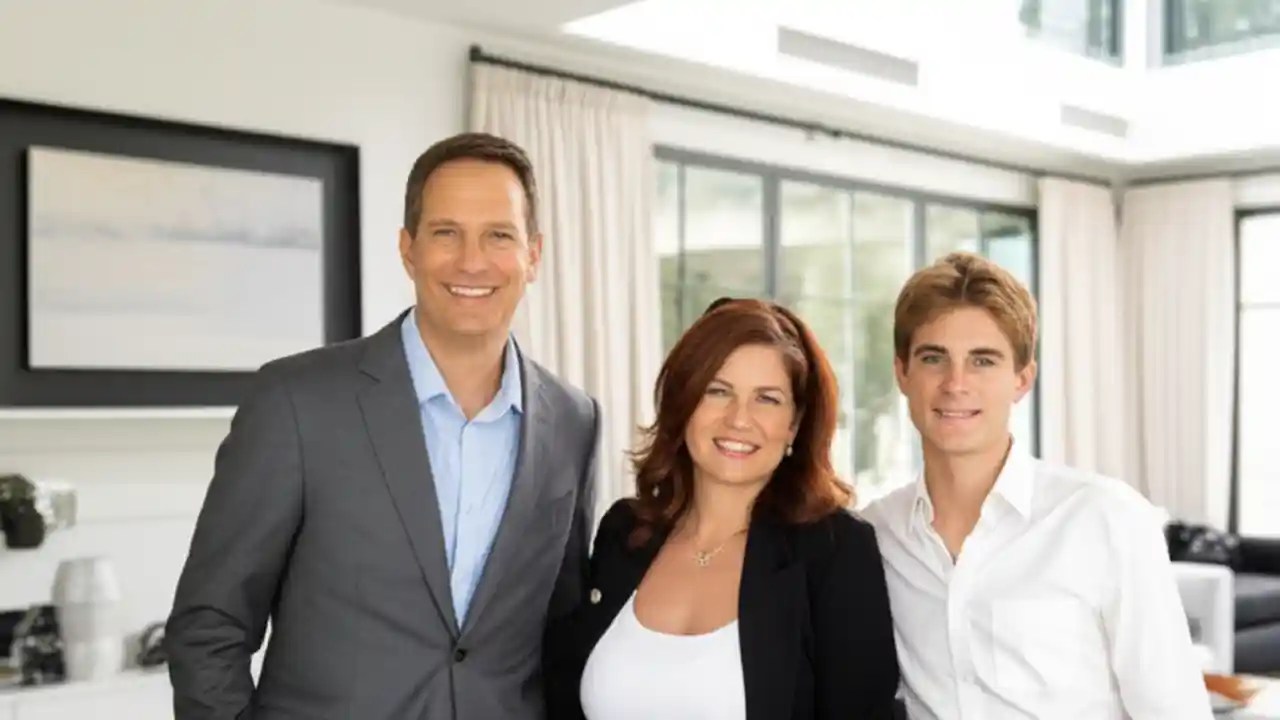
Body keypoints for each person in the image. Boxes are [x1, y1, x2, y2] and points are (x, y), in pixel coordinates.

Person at [165, 132, 601, 720]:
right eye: (446, 233)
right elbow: (209, 627)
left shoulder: (574, 422)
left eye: (499, 235)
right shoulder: (296, 403)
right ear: (408, 249)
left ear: (534, 254)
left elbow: (564, 635)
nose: (472, 261)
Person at [862, 252, 1215, 719]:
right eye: (933, 358)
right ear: (902, 372)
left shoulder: (1105, 519)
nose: (955, 383)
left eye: (983, 361)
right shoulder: (873, 537)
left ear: (1022, 379)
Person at [547, 297, 901, 720]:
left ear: (794, 423)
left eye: (767, 399)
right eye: (718, 391)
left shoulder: (835, 550)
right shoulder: (625, 533)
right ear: (684, 403)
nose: (738, 419)